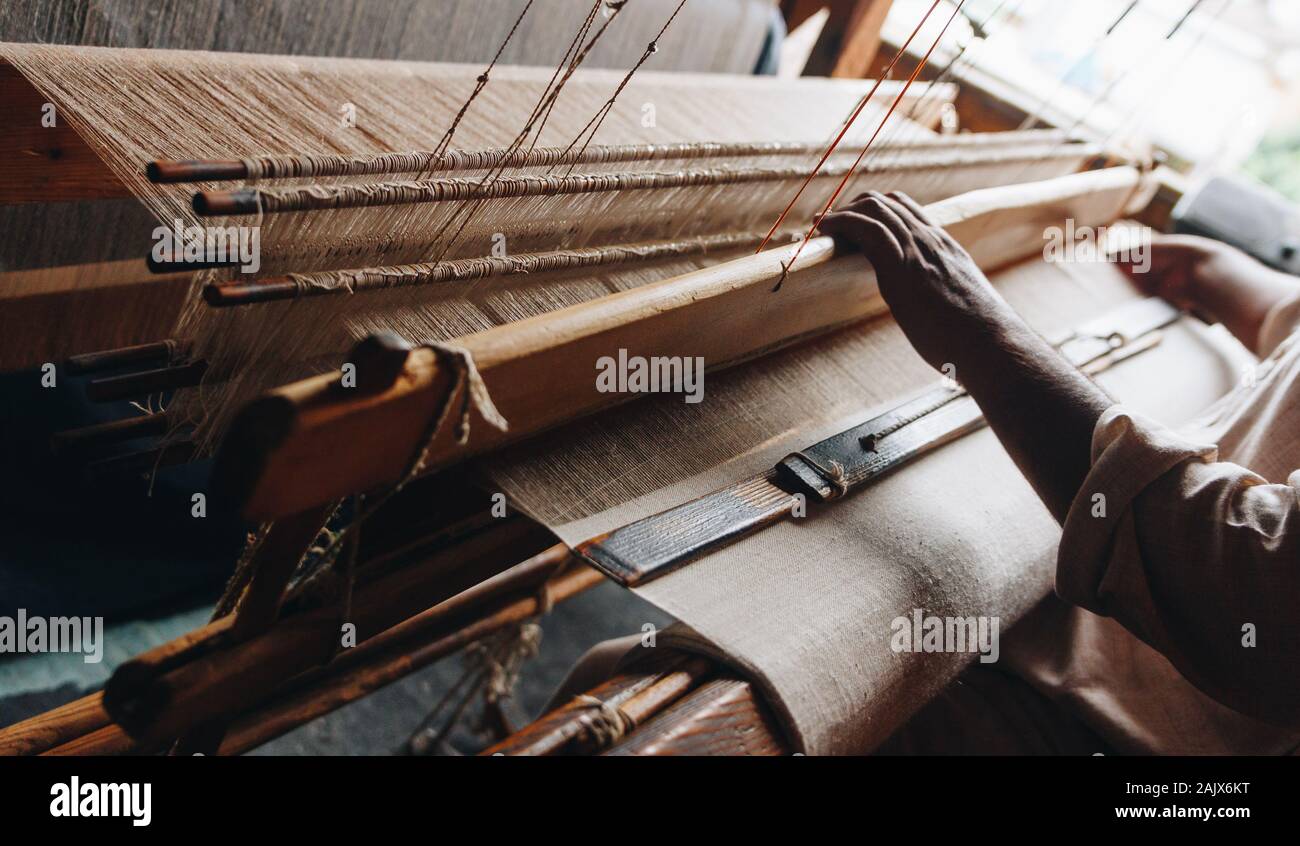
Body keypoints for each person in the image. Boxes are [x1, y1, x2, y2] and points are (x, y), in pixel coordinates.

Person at [819, 192, 1300, 754]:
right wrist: (1203, 267)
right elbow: (1279, 323)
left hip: (1097, 733)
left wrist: (979, 329)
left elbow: (1257, 591)